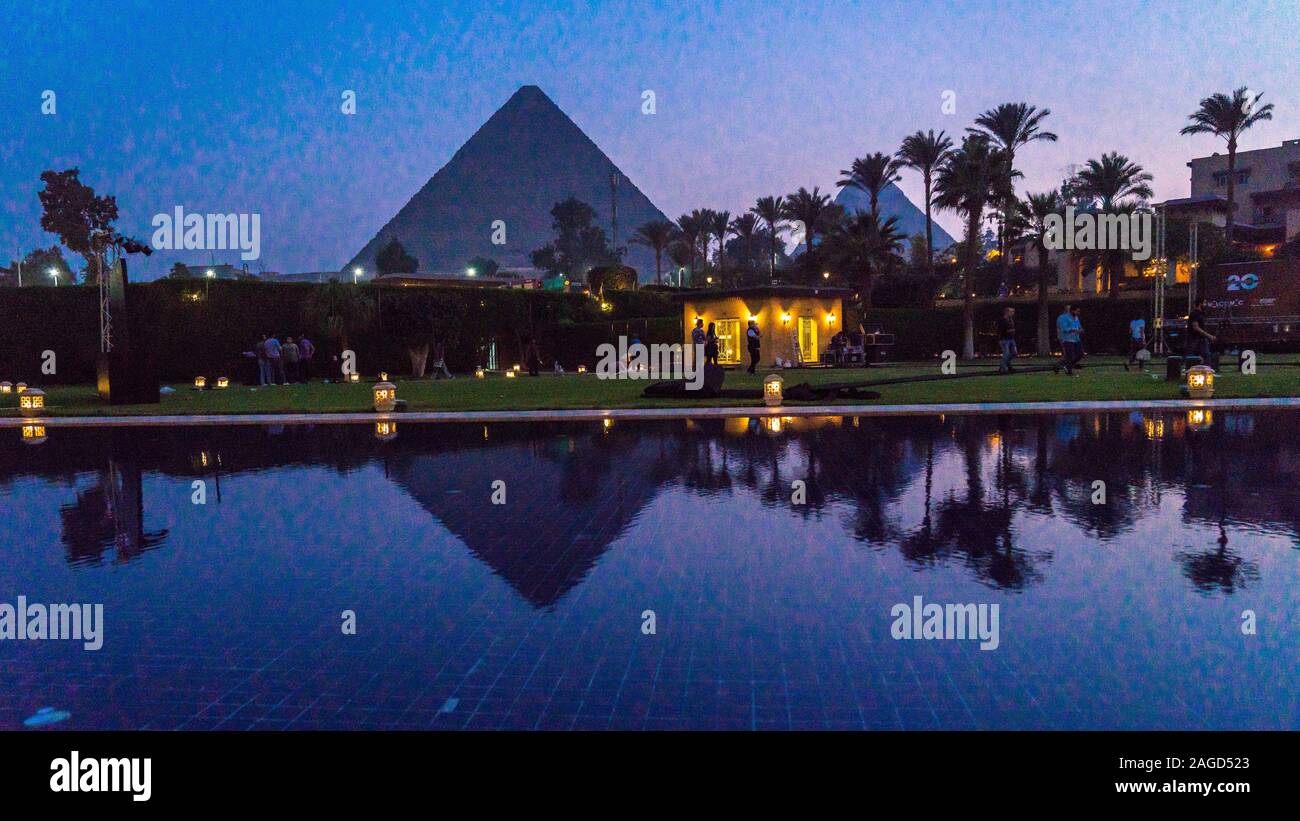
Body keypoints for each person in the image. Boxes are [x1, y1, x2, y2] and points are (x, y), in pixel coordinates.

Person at [1187, 297, 1216, 367]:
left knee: (1206, 355)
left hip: (1202, 338)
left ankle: (1208, 371)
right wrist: (1209, 336)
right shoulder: (1194, 313)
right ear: (1200, 304)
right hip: (1194, 338)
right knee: (1192, 356)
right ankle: (1189, 370)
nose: (1206, 304)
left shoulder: (1201, 313)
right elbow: (1196, 327)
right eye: (1205, 303)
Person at [1056, 305, 1080, 375]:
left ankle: (1061, 365)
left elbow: (1076, 325)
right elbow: (1062, 328)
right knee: (1068, 354)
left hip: (1074, 338)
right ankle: (1061, 365)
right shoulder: (1061, 318)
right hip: (1065, 338)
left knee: (1071, 354)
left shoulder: (1074, 317)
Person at [997, 306, 1018, 373]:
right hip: (1004, 339)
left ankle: (1006, 364)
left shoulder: (1011, 320)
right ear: (1007, 312)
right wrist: (1009, 331)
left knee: (1014, 353)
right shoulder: (1002, 320)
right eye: (1011, 312)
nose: (1013, 313)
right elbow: (1000, 330)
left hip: (1011, 338)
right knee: (1006, 353)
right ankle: (1003, 367)